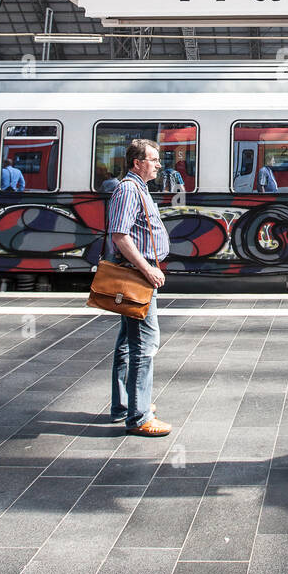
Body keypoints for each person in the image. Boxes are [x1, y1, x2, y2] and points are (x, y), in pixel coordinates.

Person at [107, 138, 172, 438]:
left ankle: (125, 405)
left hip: (139, 274)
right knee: (145, 345)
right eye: (154, 159)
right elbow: (120, 235)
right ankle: (139, 415)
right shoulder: (128, 189)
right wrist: (147, 269)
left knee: (127, 343)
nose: (159, 164)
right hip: (138, 276)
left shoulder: (138, 188)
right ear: (137, 162)